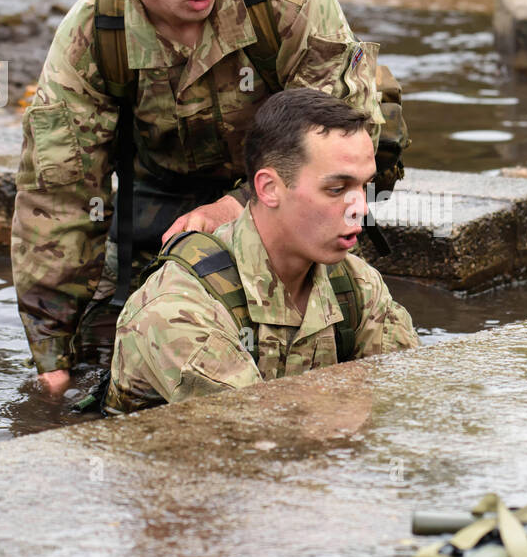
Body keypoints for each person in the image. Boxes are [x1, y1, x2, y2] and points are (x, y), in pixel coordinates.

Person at [10, 0, 398, 398]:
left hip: (282, 189)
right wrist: (52, 356)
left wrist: (233, 206)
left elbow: (350, 141)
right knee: (106, 370)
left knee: (328, 343)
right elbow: (57, 199)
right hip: (153, 198)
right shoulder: (93, 37)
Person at [103, 89, 420, 414]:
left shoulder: (357, 285)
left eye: (365, 186)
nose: (361, 209)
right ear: (269, 188)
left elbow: (410, 399)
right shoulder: (177, 310)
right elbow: (258, 441)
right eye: (336, 189)